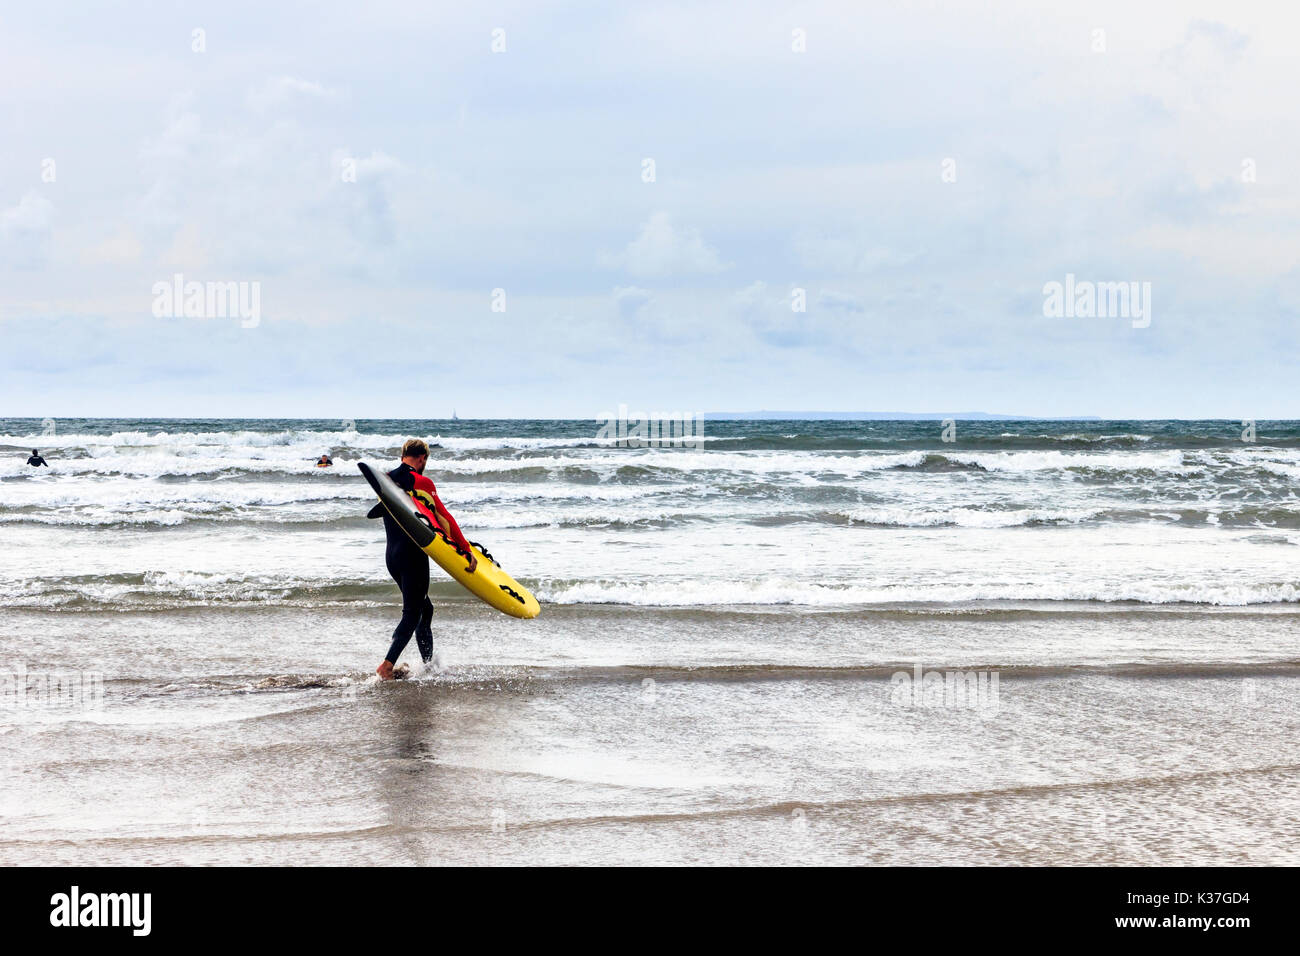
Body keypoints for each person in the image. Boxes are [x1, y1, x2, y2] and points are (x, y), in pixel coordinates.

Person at [371, 438, 477, 680]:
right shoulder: (422, 482)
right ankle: (386, 666)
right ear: (422, 458)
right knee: (414, 612)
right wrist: (465, 550)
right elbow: (443, 519)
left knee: (424, 609)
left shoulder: (385, 481)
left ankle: (428, 666)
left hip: (392, 557)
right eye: (425, 460)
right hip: (413, 556)